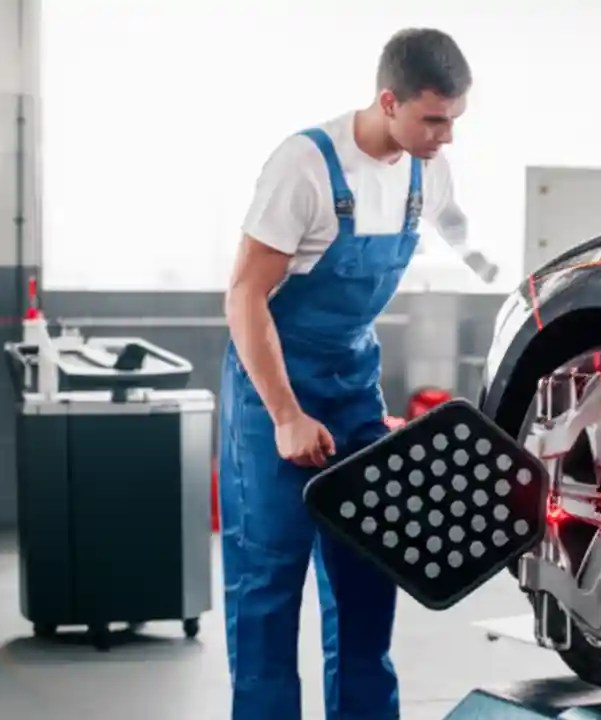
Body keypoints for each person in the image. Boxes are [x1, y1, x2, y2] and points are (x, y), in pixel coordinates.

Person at [217, 28, 473, 720]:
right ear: (388, 101)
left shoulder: (429, 170)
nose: (445, 135)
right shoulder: (303, 166)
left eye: (454, 119)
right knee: (268, 586)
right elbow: (243, 296)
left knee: (367, 576)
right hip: (271, 387)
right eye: (433, 119)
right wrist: (286, 416)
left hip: (354, 385)